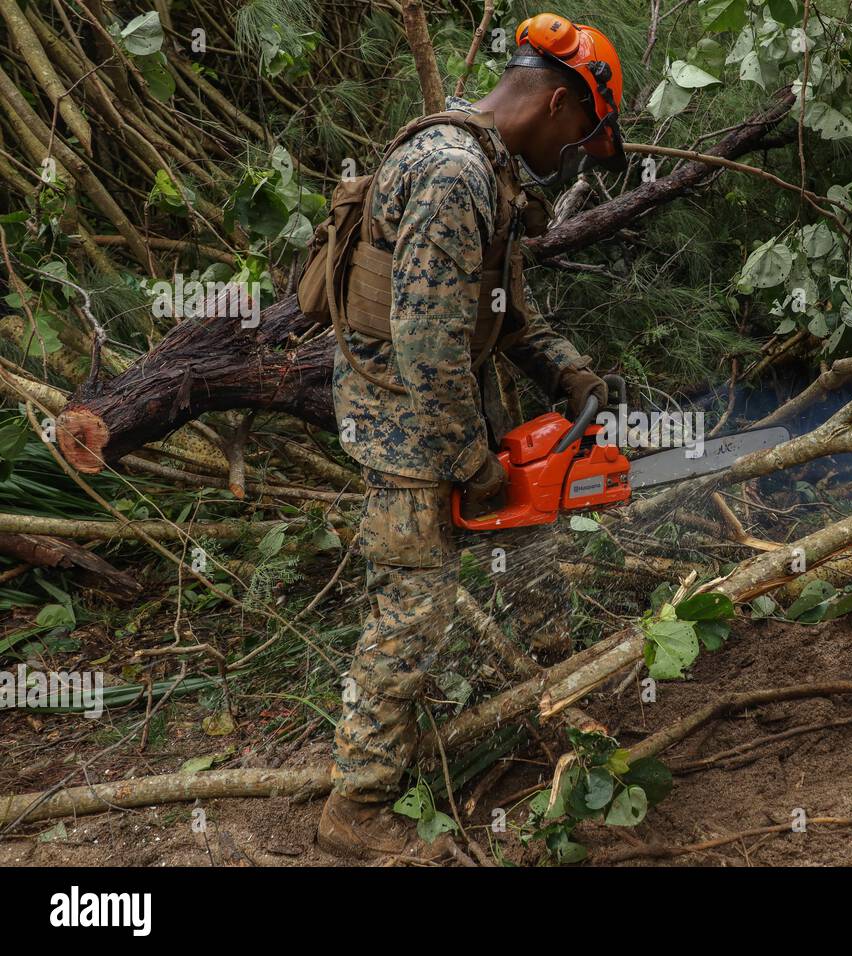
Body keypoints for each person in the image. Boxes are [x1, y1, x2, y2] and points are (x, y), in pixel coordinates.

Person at [316, 13, 625, 859]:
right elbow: (425, 340)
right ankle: (359, 806)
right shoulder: (455, 172)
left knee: (481, 581)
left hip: (437, 414)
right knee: (410, 615)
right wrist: (471, 463)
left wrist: (569, 372)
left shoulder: (483, 162)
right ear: (558, 103)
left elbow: (501, 312)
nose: (572, 159)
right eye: (580, 140)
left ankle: (511, 714)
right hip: (408, 430)